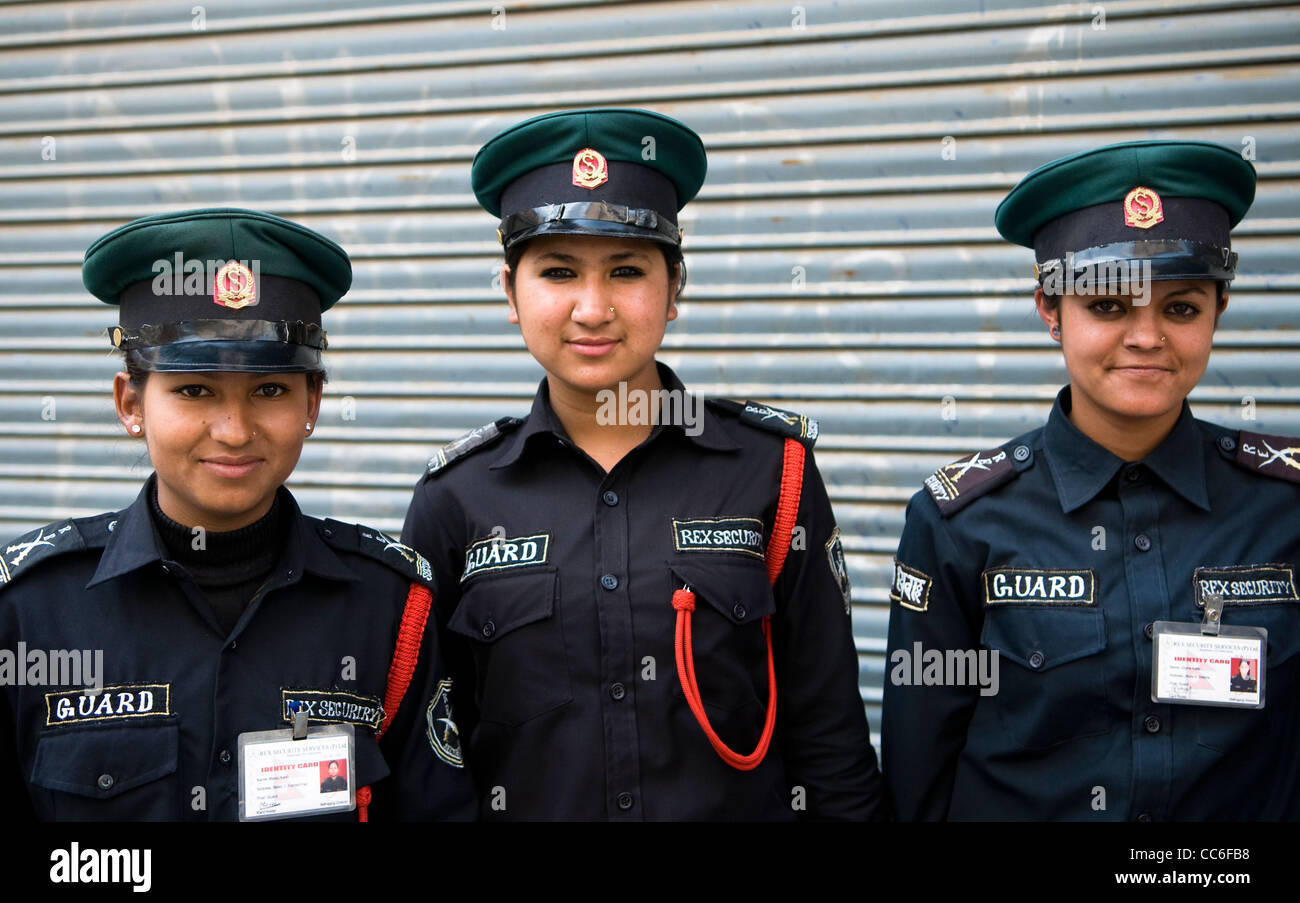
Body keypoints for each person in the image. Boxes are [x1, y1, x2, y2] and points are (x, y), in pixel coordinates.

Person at [401, 108, 883, 820]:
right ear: (509, 293)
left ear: (675, 288)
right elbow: (432, 766)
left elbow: (829, 731)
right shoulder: (457, 500)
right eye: (558, 272)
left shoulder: (771, 473)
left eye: (626, 270)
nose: (592, 309)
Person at [0, 208, 476, 822]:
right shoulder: (30, 613)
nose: (233, 430)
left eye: (270, 390)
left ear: (314, 402)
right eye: (194, 389)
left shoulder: (388, 607)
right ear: (130, 403)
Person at [882, 140, 1300, 821]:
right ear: (1051, 310)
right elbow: (917, 771)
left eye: (1182, 308)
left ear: (1220, 308)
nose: (1146, 337)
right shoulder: (959, 522)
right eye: (1108, 308)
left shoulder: (1284, 507)